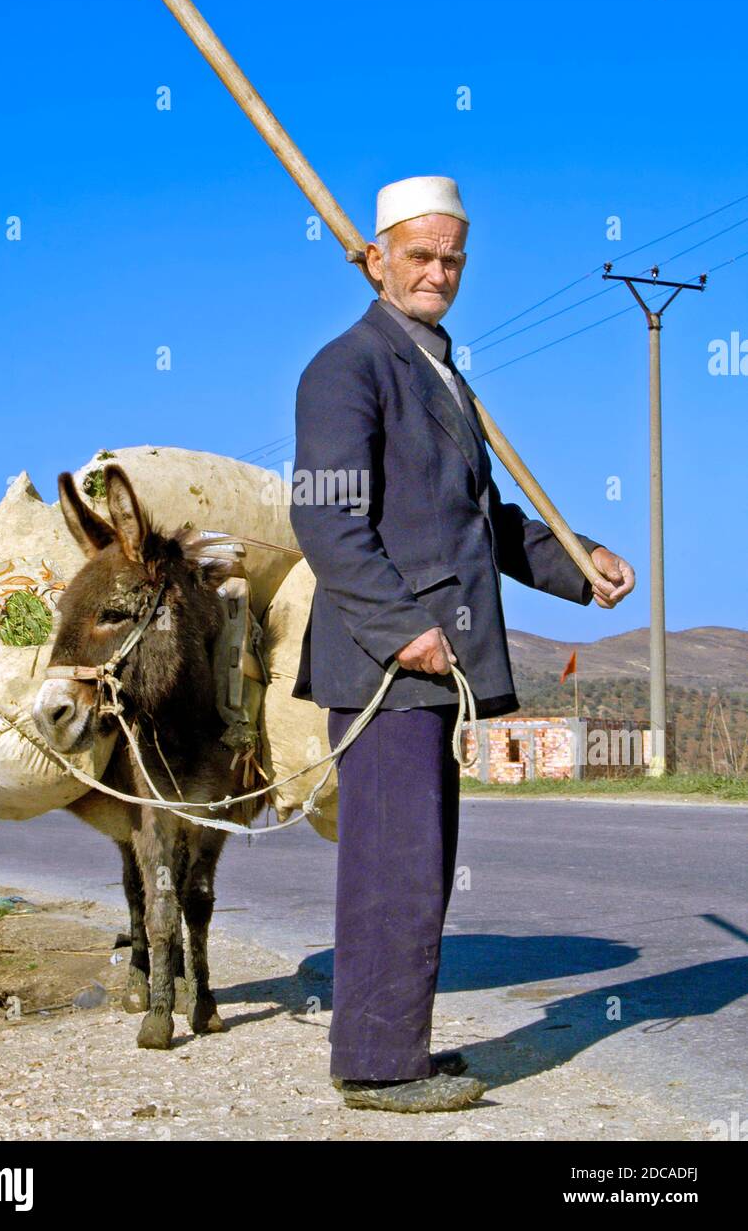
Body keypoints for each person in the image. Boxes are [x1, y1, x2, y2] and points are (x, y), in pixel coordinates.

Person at [289, 175, 635, 1113]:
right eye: (419, 256)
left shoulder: (438, 372)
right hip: (385, 661)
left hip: (433, 661)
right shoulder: (346, 366)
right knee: (392, 862)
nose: (437, 272)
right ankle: (373, 1064)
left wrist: (581, 563)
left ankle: (394, 1046)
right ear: (376, 258)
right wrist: (402, 629)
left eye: (451, 259)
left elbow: (485, 525)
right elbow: (323, 518)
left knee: (421, 860)